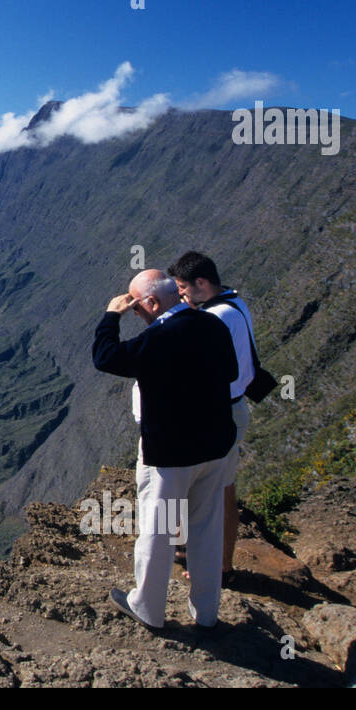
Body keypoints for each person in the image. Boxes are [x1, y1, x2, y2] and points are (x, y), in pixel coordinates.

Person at [92, 269, 238, 629]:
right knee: (205, 529)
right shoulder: (214, 325)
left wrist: (112, 315)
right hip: (215, 447)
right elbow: (232, 372)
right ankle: (206, 614)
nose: (136, 314)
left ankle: (148, 609)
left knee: (160, 529)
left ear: (153, 303)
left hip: (172, 456)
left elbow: (106, 357)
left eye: (137, 307)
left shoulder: (159, 337)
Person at [168, 252, 255, 585]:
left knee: (220, 490)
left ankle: (219, 566)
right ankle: (187, 546)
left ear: (201, 283)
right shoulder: (234, 304)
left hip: (221, 413)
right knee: (205, 485)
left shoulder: (215, 320)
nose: (181, 296)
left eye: (183, 289)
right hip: (226, 409)